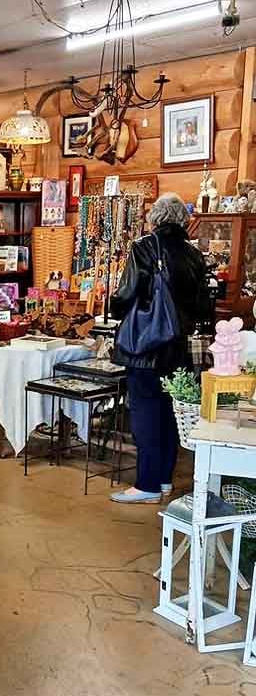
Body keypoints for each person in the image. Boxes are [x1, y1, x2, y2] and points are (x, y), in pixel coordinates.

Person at [109, 193, 210, 504]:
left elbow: (126, 295)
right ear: (183, 220)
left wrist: (115, 307)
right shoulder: (194, 255)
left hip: (146, 349)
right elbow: (202, 304)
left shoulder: (145, 247)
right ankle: (164, 479)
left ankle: (147, 485)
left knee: (145, 414)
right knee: (169, 413)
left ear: (155, 218)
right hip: (177, 346)